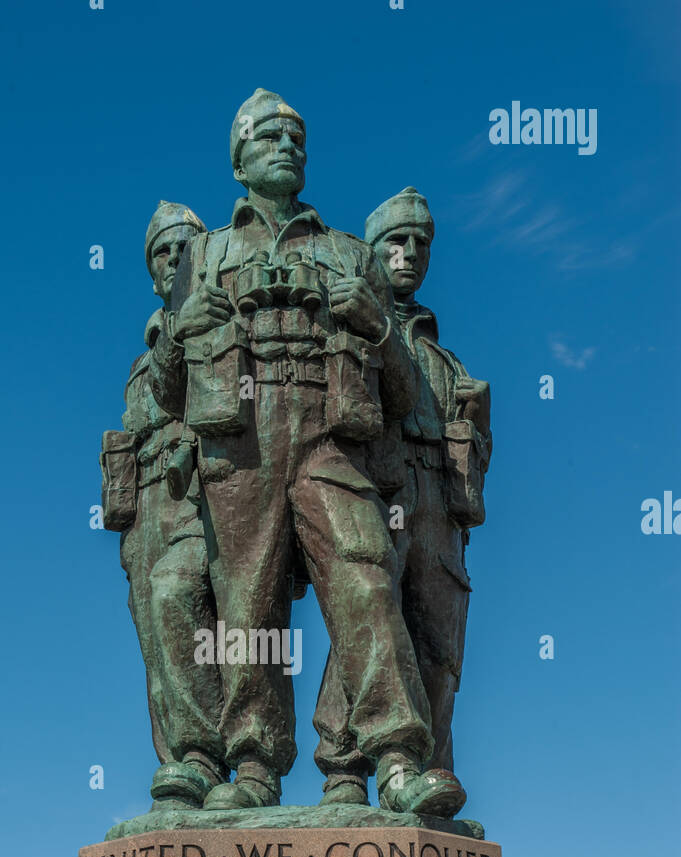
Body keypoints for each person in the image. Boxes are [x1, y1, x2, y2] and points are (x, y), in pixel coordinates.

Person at [150, 92, 462, 817]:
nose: (282, 145)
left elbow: (401, 388)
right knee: (247, 607)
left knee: (363, 583)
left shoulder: (350, 252)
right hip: (241, 443)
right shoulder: (205, 254)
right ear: (237, 159)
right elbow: (169, 392)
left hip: (327, 437)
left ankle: (392, 760)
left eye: (294, 135)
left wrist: (375, 328)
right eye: (265, 136)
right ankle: (254, 766)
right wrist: (176, 332)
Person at [314, 189, 491, 811]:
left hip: (439, 500)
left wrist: (479, 421)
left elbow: (474, 456)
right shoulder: (349, 322)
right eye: (397, 239)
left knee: (440, 646)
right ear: (371, 248)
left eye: (421, 243)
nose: (410, 252)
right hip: (379, 485)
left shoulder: (447, 358)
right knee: (367, 621)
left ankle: (430, 774)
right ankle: (345, 770)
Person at [100, 201, 226, 808]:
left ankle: (210, 754)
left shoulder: (221, 327)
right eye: (162, 252)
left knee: (184, 602)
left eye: (183, 248)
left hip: (202, 495)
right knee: (158, 644)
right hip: (144, 508)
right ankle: (180, 770)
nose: (174, 259)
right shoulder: (140, 359)